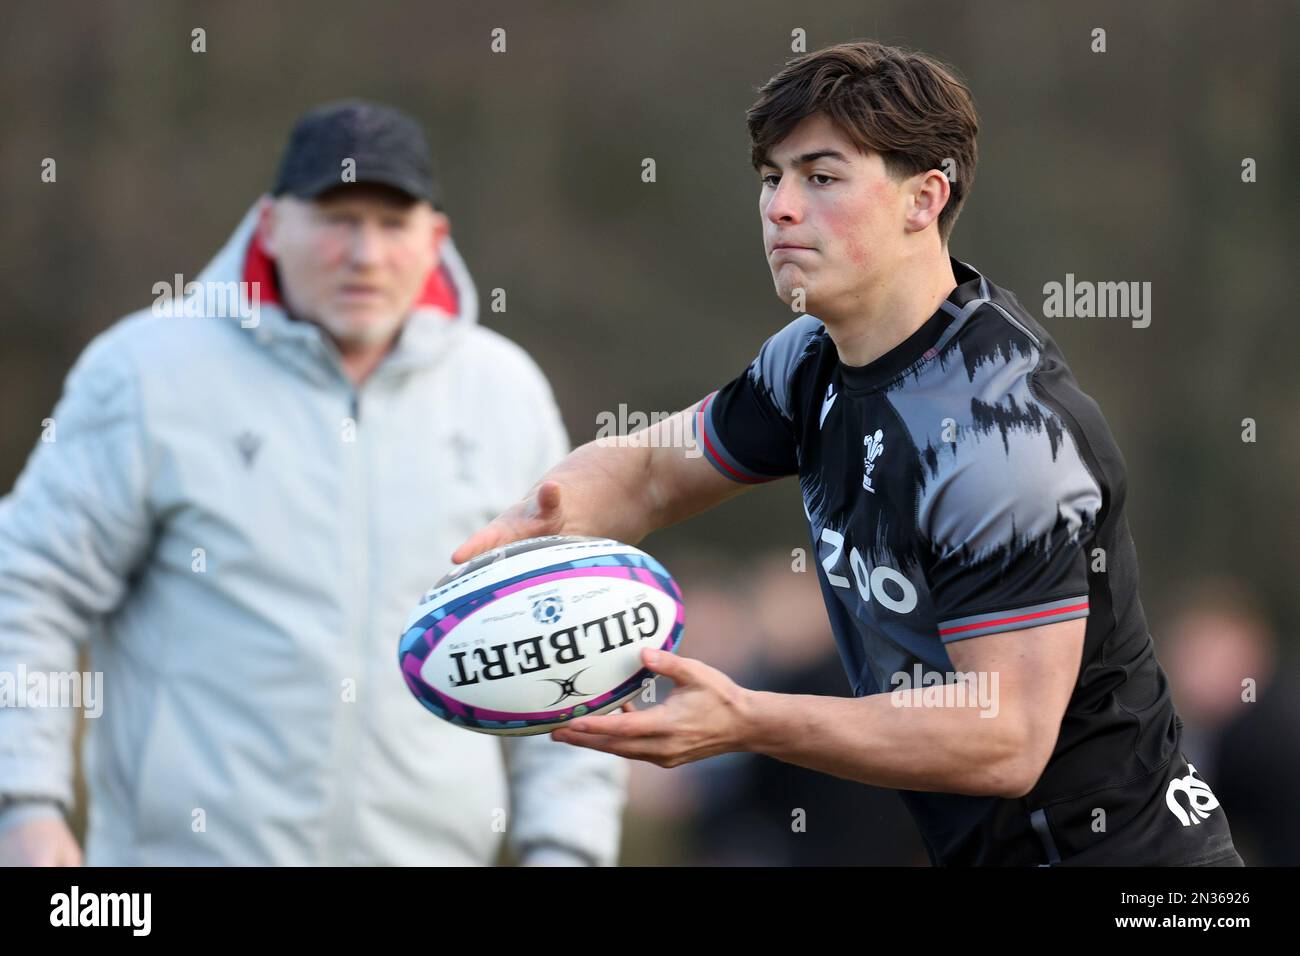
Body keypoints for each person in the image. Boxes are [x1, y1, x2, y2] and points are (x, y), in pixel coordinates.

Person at [451, 42, 1243, 866]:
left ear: (923, 198)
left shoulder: (1000, 433)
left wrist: (749, 720)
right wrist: (546, 513)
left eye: (821, 177)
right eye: (771, 178)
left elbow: (1004, 738)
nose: (781, 207)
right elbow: (651, 472)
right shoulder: (809, 362)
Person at [0, 100, 627, 866]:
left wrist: (567, 846)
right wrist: (24, 804)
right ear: (270, 226)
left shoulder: (505, 392)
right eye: (337, 218)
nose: (364, 253)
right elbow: (27, 588)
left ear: (435, 239)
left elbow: (564, 642)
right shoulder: (145, 373)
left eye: (392, 224)